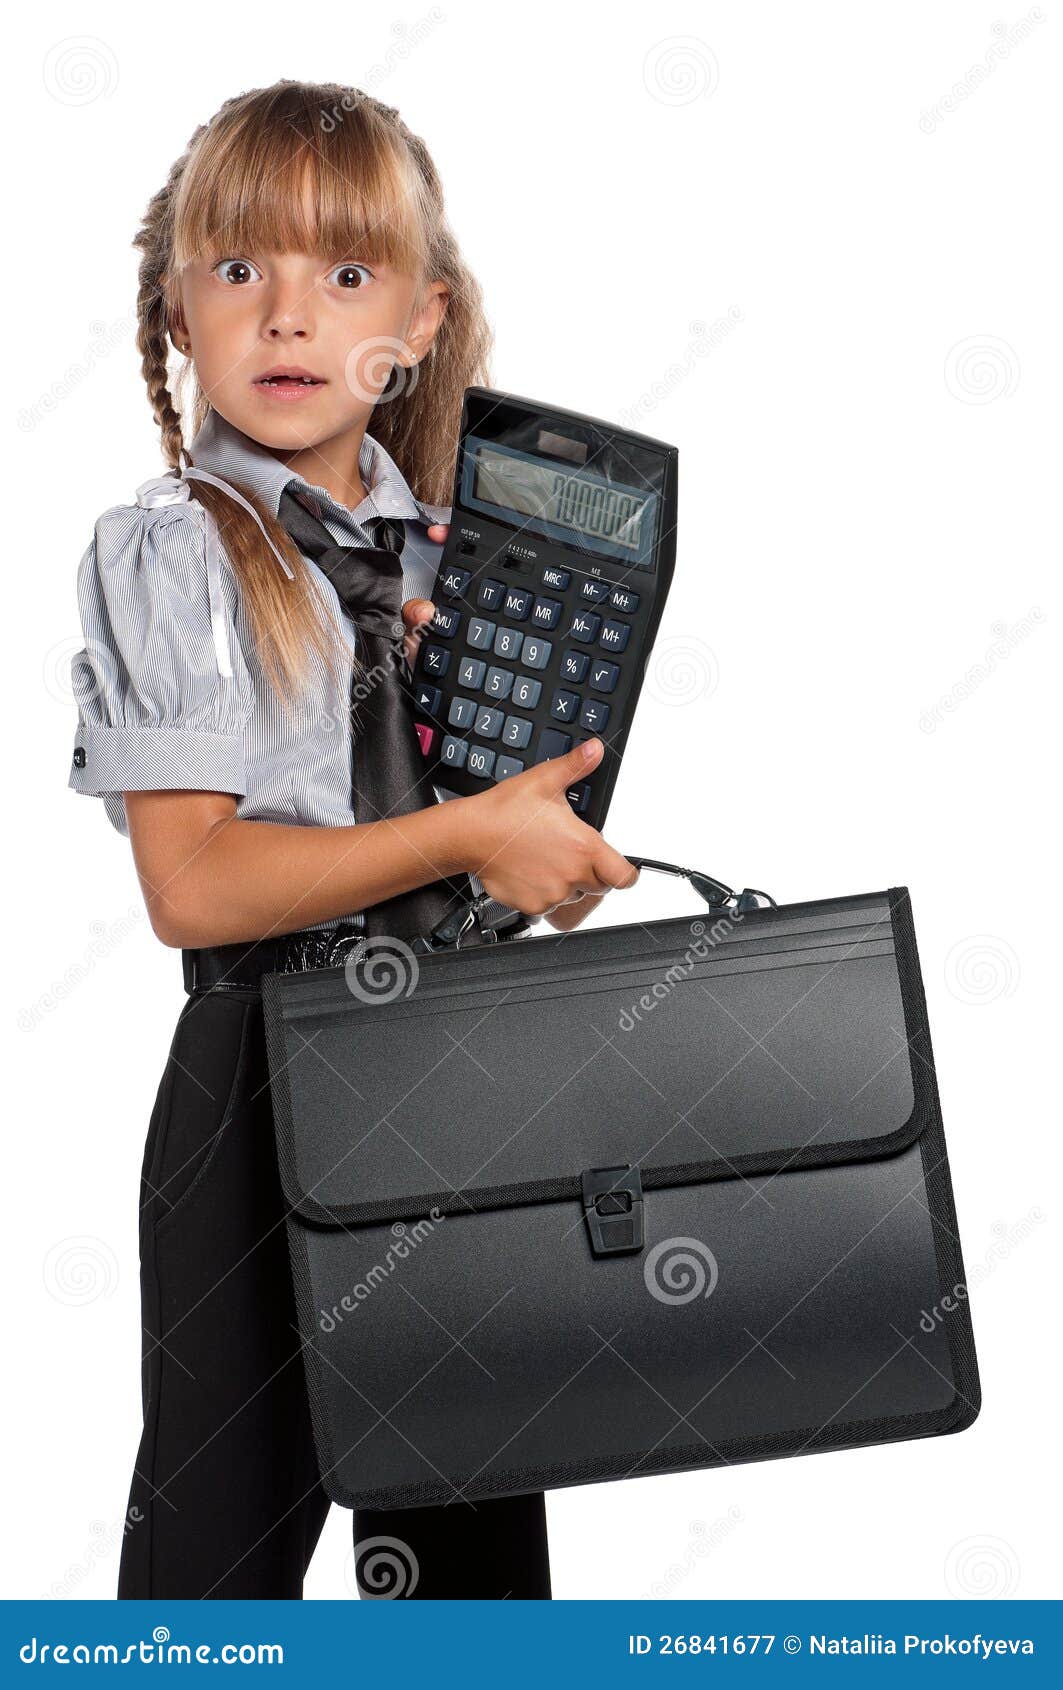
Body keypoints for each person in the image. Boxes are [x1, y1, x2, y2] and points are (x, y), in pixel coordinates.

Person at [67, 80, 638, 1600]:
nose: (288, 318)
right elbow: (195, 887)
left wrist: (542, 858)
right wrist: (465, 826)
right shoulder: (174, 554)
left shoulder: (463, 557)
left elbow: (484, 852)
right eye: (239, 269)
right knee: (215, 1551)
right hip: (258, 1077)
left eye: (346, 273)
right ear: (176, 310)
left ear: (423, 317)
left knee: (469, 1560)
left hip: (451, 1068)